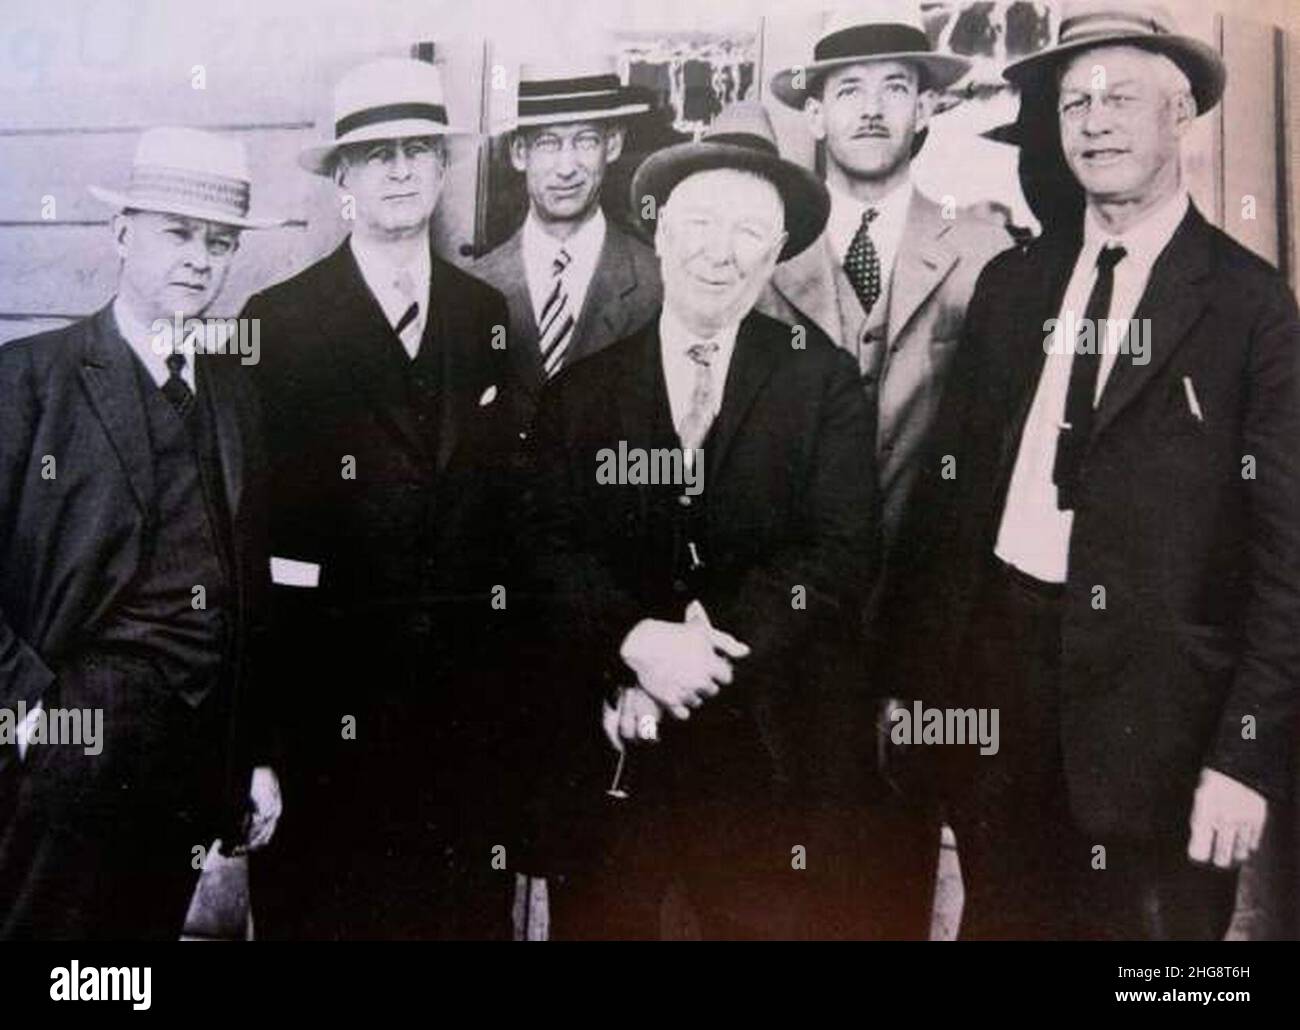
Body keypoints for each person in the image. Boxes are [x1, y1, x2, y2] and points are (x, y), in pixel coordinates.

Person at [882, 0, 1300, 939]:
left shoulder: (1249, 307)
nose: (1096, 123)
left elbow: (1288, 561)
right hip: (1002, 704)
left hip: (1162, 733)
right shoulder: (1014, 284)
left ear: (1180, 114)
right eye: (1075, 105)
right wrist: (924, 699)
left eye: (1121, 99)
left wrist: (1244, 757)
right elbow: (948, 506)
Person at [526, 101, 877, 939]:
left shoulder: (819, 381)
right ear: (661, 233)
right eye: (702, 224)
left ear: (779, 252)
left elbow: (837, 552)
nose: (721, 252)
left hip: (763, 758)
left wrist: (699, 659)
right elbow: (544, 542)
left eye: (750, 232)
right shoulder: (584, 388)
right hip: (615, 748)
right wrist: (634, 645)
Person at [242, 58, 524, 939]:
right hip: (327, 706)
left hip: (462, 713)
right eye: (375, 155)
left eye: (418, 150)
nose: (400, 170)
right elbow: (248, 536)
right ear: (342, 180)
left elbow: (517, 513)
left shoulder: (487, 314)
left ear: (444, 169)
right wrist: (261, 739)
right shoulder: (278, 321)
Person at [762, 0, 1010, 938]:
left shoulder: (987, 251)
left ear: (925, 111)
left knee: (898, 867)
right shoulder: (764, 253)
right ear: (815, 113)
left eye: (894, 88)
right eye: (847, 90)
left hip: (929, 630)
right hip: (782, 628)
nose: (870, 109)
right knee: (774, 875)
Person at [0, 127, 283, 939]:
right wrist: (27, 713)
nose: (200, 258)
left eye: (220, 242)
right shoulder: (31, 380)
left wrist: (257, 755)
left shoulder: (233, 392)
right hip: (70, 747)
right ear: (122, 234)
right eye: (178, 233)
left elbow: (250, 588)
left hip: (193, 761)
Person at [473, 57, 662, 416]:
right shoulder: (474, 286)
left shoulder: (658, 283)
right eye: (547, 143)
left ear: (614, 144)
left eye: (586, 141)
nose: (566, 168)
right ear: (519, 152)